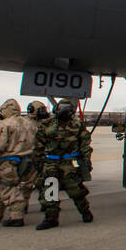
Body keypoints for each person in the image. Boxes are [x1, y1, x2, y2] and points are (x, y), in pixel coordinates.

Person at [35, 98, 93, 230]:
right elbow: (38, 144)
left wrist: (86, 160)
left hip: (68, 163)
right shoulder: (46, 124)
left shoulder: (77, 125)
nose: (63, 110)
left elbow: (85, 144)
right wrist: (37, 161)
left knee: (75, 189)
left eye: (66, 107)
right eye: (61, 107)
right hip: (51, 162)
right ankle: (51, 218)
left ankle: (85, 211)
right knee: (50, 191)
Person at [0, 97, 38, 227]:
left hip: (8, 161)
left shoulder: (3, 124)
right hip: (27, 161)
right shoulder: (30, 124)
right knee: (5, 186)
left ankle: (16, 216)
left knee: (7, 188)